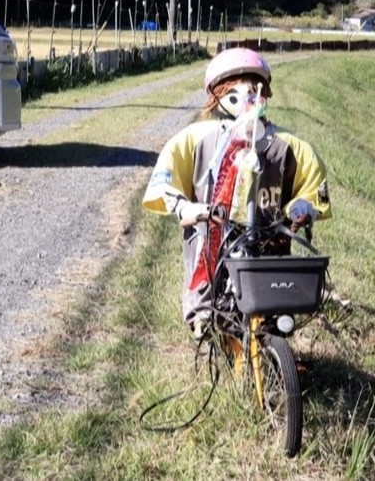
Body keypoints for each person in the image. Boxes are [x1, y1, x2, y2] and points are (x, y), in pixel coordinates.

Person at [142, 47, 331, 336]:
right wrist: (184, 207)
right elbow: (164, 180)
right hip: (214, 232)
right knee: (205, 270)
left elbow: (312, 184)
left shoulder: (288, 146)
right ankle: (202, 316)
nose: (247, 102)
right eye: (236, 94)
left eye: (255, 93)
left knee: (277, 291)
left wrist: (304, 206)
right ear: (218, 97)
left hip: (270, 237)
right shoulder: (196, 139)